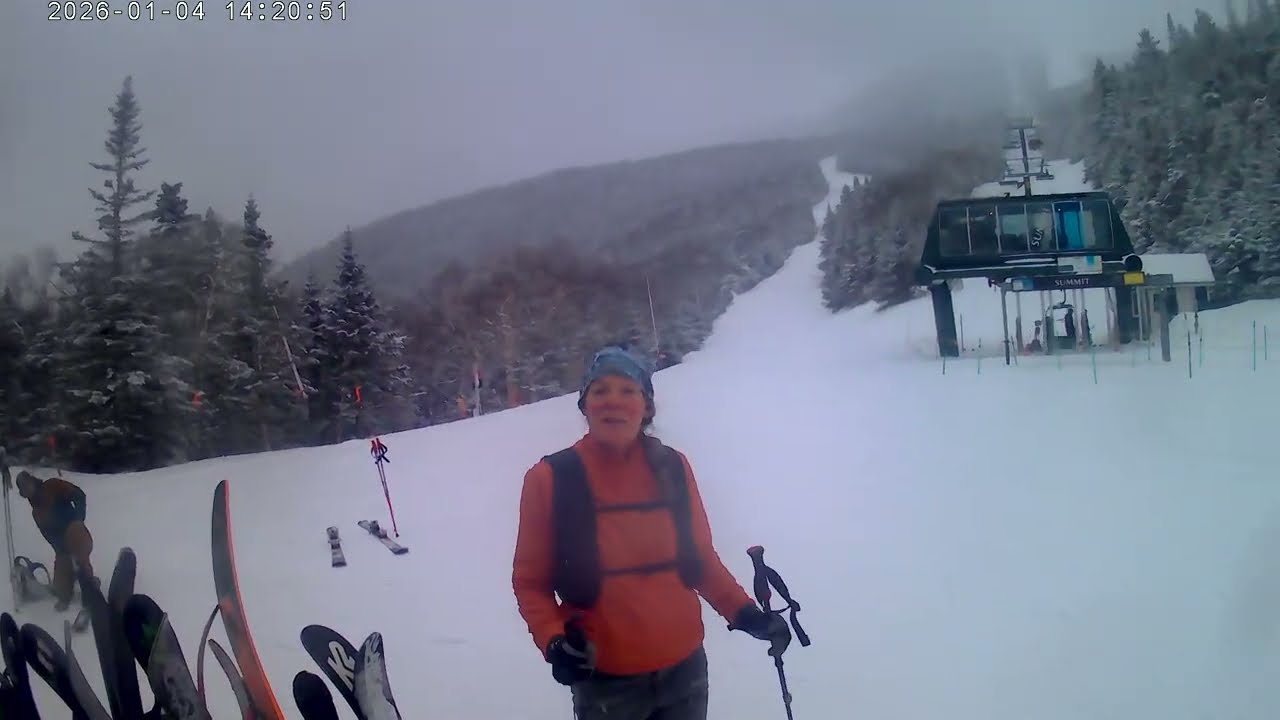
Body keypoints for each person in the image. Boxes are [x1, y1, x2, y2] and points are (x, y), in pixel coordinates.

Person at [512, 345, 790, 720]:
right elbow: (531, 582)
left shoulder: (673, 467)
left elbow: (700, 559)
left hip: (685, 671)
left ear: (646, 406)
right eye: (600, 391)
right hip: (605, 680)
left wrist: (745, 614)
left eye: (628, 390)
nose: (613, 401)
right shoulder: (550, 478)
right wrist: (554, 640)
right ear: (584, 405)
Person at [14, 470, 94, 611]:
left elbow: (79, 495)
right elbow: (49, 536)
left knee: (78, 550)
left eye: (28, 485)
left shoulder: (53, 485)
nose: (28, 489)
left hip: (78, 533)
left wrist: (78, 519)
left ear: (33, 481)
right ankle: (71, 582)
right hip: (63, 546)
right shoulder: (36, 512)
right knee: (61, 588)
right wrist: (62, 552)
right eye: (24, 489)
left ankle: (90, 590)